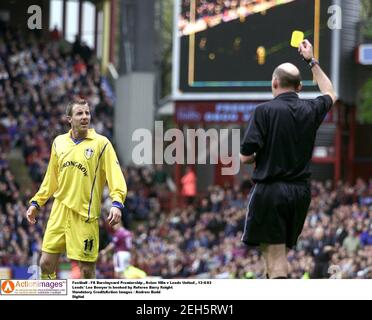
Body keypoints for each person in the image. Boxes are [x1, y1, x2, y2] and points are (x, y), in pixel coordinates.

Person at [239, 40, 337, 279]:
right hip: (300, 193)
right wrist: (311, 60)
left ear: (274, 83)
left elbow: (245, 157)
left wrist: (262, 155)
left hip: (271, 191)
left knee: (275, 258)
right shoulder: (311, 110)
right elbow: (330, 93)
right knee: (273, 255)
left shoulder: (264, 111)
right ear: (300, 87)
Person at [25, 98, 127, 279]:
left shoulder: (101, 144)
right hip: (60, 210)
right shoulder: (59, 142)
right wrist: (36, 203)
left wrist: (117, 202)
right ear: (69, 119)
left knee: (86, 270)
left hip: (85, 215)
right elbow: (51, 179)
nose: (84, 117)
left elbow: (116, 176)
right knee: (45, 263)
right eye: (79, 113)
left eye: (87, 113)